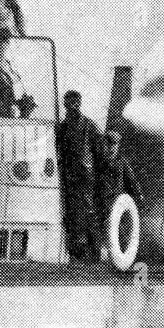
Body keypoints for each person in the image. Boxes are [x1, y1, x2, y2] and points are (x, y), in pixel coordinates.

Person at [56, 90, 105, 262]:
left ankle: (93, 251)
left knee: (87, 212)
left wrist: (98, 176)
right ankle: (76, 252)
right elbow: (59, 152)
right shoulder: (61, 127)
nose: (70, 106)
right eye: (67, 103)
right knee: (71, 213)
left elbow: (100, 153)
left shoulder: (89, 126)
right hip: (68, 177)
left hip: (85, 176)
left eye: (74, 103)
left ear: (79, 103)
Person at [101, 129, 143, 217]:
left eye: (114, 145)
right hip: (102, 205)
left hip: (118, 205)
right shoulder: (99, 163)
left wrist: (138, 194)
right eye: (108, 145)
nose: (111, 148)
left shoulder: (122, 163)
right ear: (104, 145)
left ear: (117, 146)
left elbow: (132, 180)